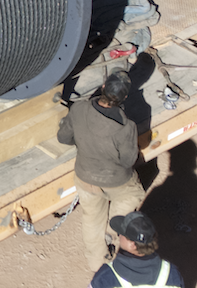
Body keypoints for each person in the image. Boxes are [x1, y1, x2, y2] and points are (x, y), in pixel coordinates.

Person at [57, 69, 142, 271]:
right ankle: (112, 232)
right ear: (124, 98)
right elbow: (128, 160)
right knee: (133, 194)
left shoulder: (79, 109)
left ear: (103, 87)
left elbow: (63, 137)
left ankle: (96, 263)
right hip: (116, 180)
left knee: (92, 218)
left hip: (85, 176)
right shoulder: (125, 127)